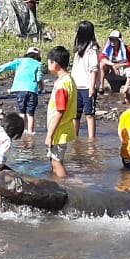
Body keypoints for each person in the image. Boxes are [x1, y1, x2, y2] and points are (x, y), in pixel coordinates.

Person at [0, 46, 45, 133]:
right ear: (39, 56)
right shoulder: (38, 64)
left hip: (19, 90)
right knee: (31, 114)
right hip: (32, 90)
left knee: (22, 112)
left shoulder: (20, 61)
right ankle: (31, 133)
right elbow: (39, 79)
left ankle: (22, 131)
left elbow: (6, 66)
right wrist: (41, 87)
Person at [44, 46, 76, 178]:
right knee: (57, 160)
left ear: (55, 64)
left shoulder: (62, 85)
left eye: (48, 62)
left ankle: (63, 185)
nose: (48, 65)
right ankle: (56, 181)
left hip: (58, 130)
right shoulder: (69, 80)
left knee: (56, 162)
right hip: (64, 127)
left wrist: (49, 135)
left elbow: (60, 111)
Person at [72, 21, 102, 138]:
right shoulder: (79, 49)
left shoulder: (92, 48)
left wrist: (92, 86)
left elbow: (93, 69)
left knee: (89, 114)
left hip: (87, 86)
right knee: (76, 115)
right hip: (77, 85)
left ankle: (91, 139)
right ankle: (75, 137)